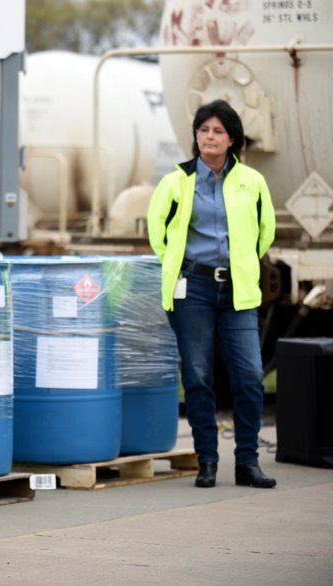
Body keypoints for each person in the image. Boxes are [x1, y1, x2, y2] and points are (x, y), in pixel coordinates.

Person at [147, 99, 276, 490]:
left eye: (218, 131)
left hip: (238, 289)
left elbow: (264, 231)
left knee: (250, 377)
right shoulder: (176, 182)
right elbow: (158, 233)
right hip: (194, 289)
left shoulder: (251, 182)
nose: (209, 137)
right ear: (195, 136)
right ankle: (206, 462)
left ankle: (248, 463)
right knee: (199, 376)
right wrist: (181, 269)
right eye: (204, 130)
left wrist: (241, 267)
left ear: (232, 138)